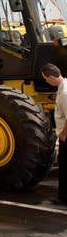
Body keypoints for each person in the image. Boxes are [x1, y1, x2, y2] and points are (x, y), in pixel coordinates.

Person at [40, 62, 67, 205]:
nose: (45, 81)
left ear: (51, 77)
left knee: (64, 167)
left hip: (66, 136)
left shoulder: (64, 93)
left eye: (45, 78)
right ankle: (63, 196)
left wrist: (63, 134)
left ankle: (63, 198)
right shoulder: (63, 88)